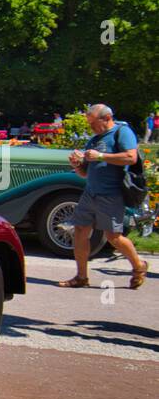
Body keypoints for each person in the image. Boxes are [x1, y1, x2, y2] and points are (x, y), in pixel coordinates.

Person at [57, 104, 148, 290]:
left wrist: (100, 156)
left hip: (111, 194)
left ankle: (139, 266)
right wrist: (77, 165)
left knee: (114, 237)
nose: (91, 128)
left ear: (106, 118)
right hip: (90, 193)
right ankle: (81, 277)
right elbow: (85, 173)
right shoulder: (94, 139)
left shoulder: (122, 132)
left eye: (93, 123)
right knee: (80, 231)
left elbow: (131, 158)